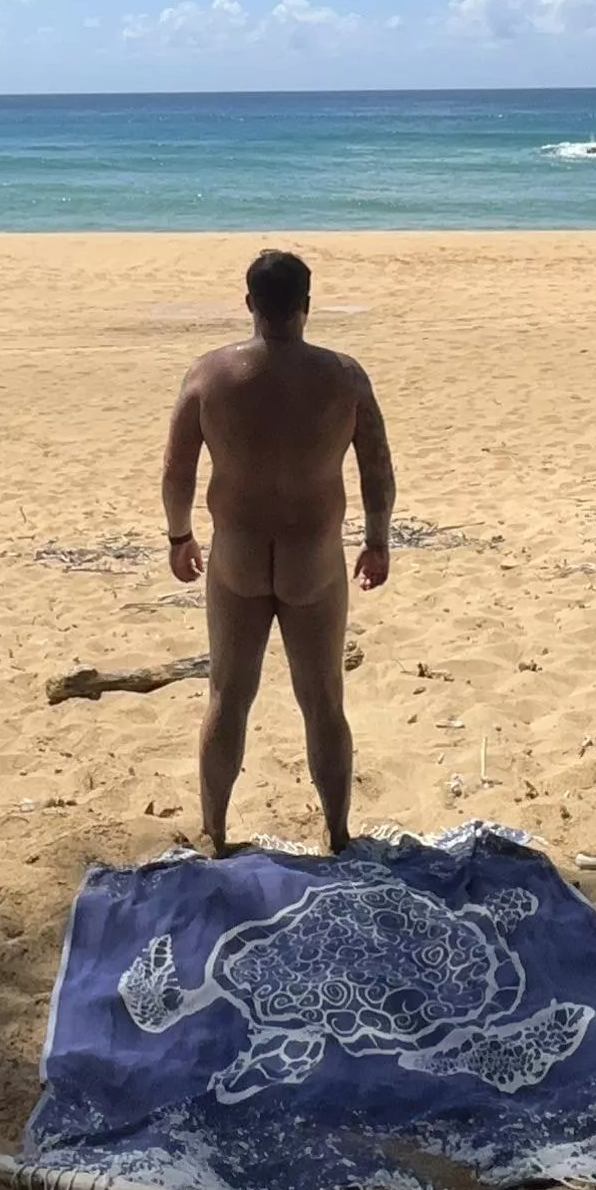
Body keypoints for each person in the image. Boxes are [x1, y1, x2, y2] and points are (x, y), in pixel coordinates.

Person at [160, 248, 394, 854]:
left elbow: (177, 470)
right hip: (313, 560)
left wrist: (179, 534)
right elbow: (376, 466)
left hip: (236, 558)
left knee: (227, 696)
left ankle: (215, 831)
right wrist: (376, 540)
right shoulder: (343, 376)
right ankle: (338, 833)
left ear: (249, 305)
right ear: (306, 307)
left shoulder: (210, 374)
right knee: (322, 701)